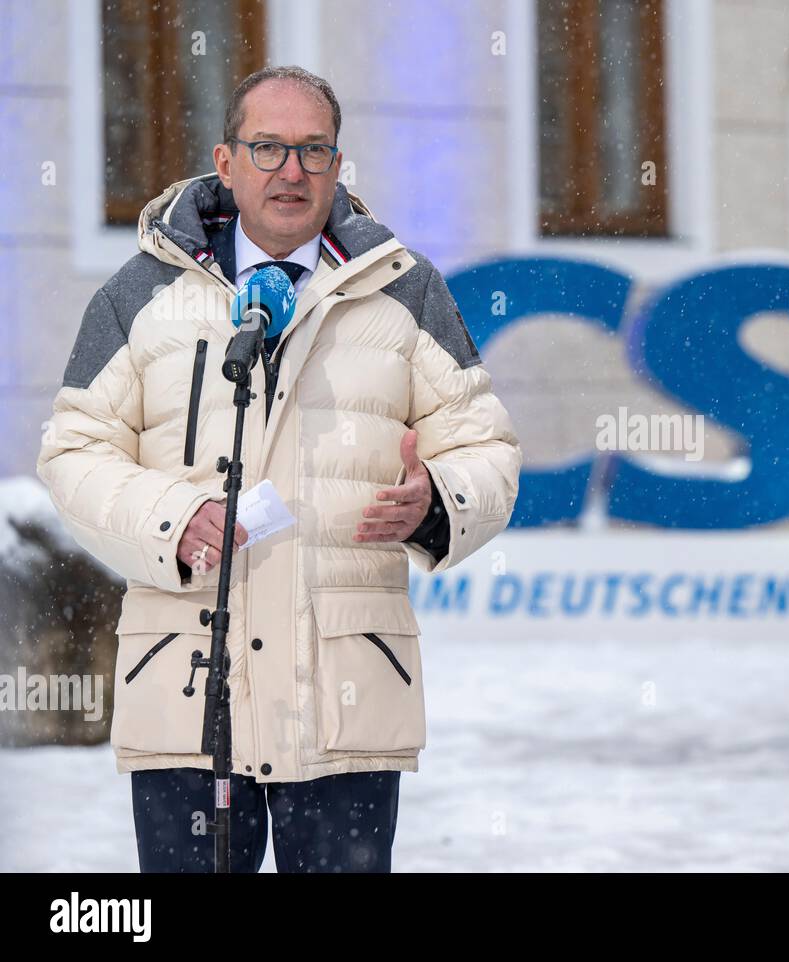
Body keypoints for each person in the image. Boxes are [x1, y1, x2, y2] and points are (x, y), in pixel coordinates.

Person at [36, 65, 521, 872]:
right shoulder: (140, 293)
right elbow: (73, 450)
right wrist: (169, 519)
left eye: (312, 150)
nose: (291, 171)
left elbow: (487, 449)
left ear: (338, 165)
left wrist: (436, 501)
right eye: (268, 148)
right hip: (188, 693)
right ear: (225, 163)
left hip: (345, 697)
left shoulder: (407, 291)